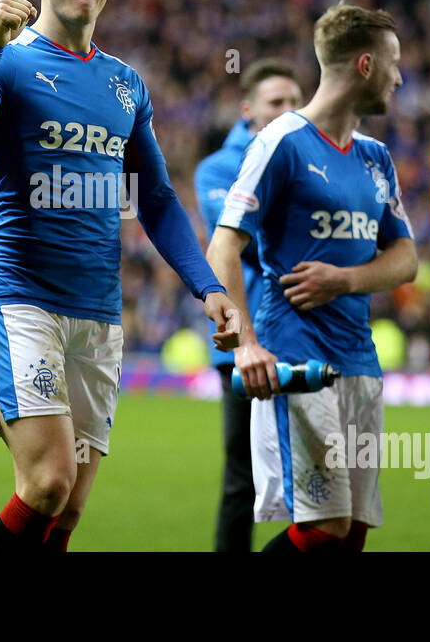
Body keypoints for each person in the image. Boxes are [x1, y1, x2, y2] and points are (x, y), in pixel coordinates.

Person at [0, 0, 241, 552]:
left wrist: (207, 287)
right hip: (18, 298)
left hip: (97, 311)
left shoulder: (126, 84)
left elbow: (153, 197)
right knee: (46, 482)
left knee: (65, 511)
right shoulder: (7, 64)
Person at [207, 4, 417, 553]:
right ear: (366, 65)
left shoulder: (375, 156)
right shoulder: (281, 141)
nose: (400, 77)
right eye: (394, 64)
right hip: (295, 355)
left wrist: (345, 280)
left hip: (359, 359)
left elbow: (407, 258)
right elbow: (224, 245)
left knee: (353, 533)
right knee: (325, 529)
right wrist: (247, 345)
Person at [194, 58, 301, 552]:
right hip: (243, 342)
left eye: (295, 101)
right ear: (248, 109)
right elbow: (241, 240)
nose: (287, 110)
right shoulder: (218, 168)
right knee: (244, 477)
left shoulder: (308, 156)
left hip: (305, 334)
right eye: (276, 102)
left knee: (321, 477)